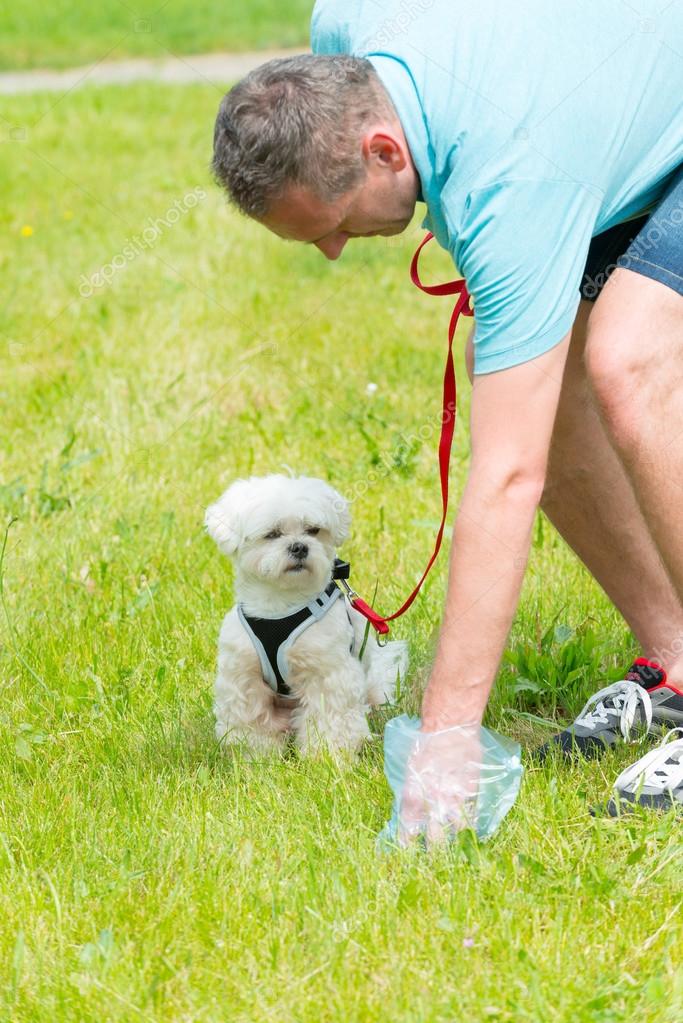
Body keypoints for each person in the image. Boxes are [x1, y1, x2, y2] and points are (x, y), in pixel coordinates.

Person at [211, 0, 683, 833]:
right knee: (546, 392)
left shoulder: (512, 184)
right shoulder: (344, 30)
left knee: (626, 356)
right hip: (607, 101)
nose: (331, 251)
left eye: (330, 226)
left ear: (382, 149)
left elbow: (505, 477)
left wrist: (446, 738)